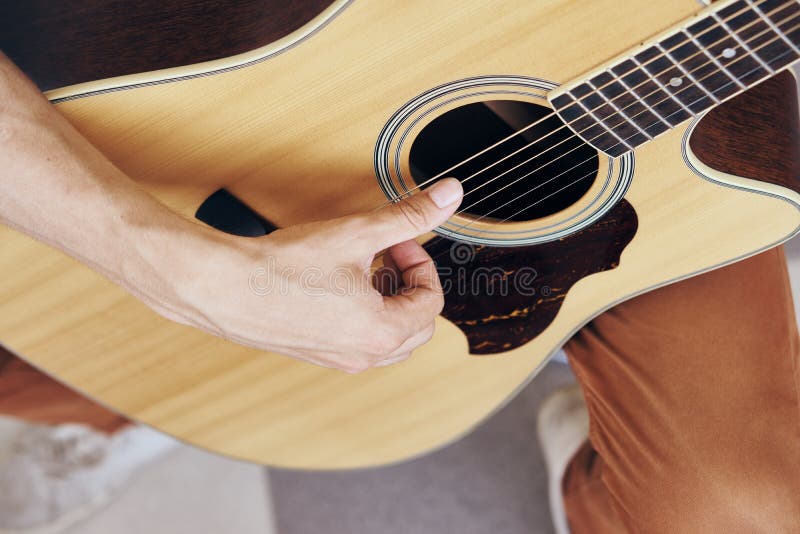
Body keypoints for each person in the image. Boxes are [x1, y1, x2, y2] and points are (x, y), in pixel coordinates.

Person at [1, 50, 799, 533]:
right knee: (55, 345)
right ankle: (134, 403)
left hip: (670, 118)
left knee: (737, 516)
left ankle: (590, 460)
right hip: (193, 102)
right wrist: (179, 273)